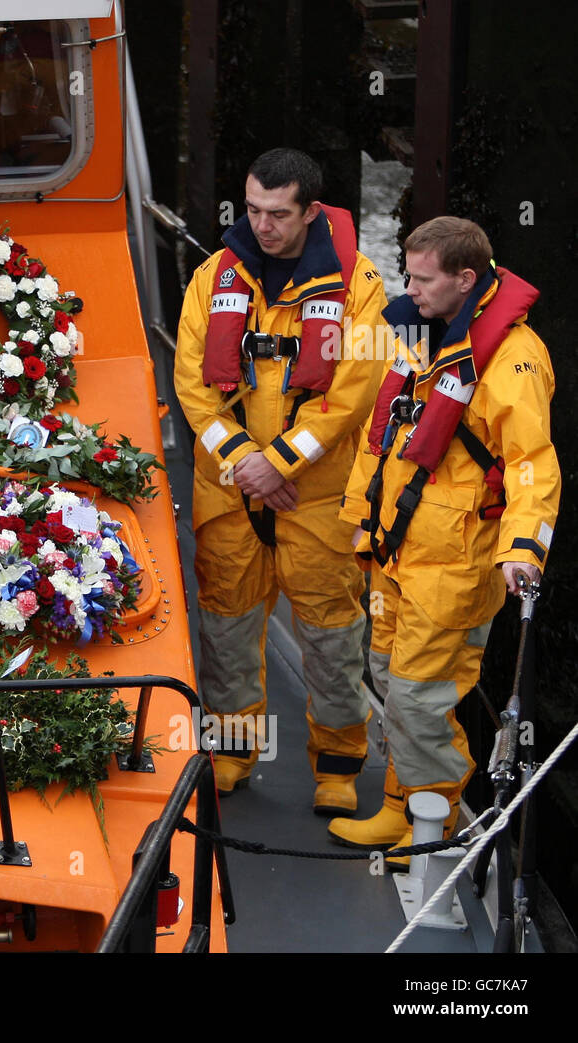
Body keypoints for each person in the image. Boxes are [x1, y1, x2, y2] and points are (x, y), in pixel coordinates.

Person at [331, 216, 560, 862]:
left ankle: (431, 827)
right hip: (397, 548)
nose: (409, 287)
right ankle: (401, 806)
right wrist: (359, 515)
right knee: (385, 675)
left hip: (454, 563)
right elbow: (383, 439)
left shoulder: (513, 358)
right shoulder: (416, 333)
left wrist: (523, 547)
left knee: (420, 695)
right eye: (407, 274)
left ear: (465, 278)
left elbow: (531, 464)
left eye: (422, 278)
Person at [174, 148, 388, 814]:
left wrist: (281, 461)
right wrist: (246, 462)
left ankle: (338, 764)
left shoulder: (359, 286)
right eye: (253, 210)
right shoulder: (214, 277)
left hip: (316, 497)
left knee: (330, 635)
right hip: (232, 490)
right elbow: (191, 381)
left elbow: (354, 391)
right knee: (229, 630)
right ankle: (234, 753)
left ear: (311, 212)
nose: (261, 226)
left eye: (277, 214)